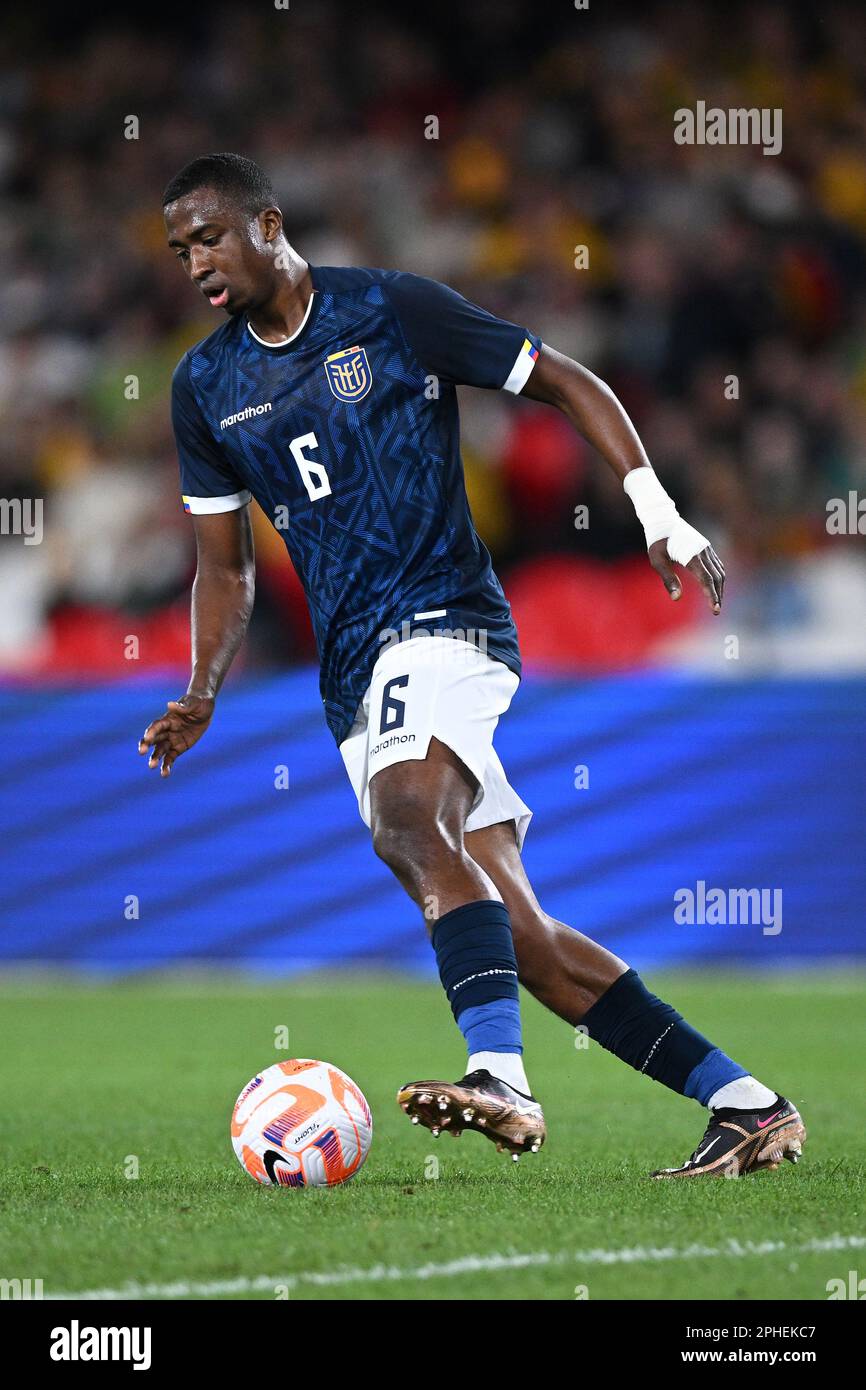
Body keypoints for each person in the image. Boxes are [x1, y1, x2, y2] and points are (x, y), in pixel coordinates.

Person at [140, 153, 805, 1177]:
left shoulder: (391, 310)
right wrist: (199, 690)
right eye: (181, 249)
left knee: (407, 821)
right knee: (522, 937)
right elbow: (222, 568)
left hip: (446, 617)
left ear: (269, 223)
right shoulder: (203, 388)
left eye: (211, 237)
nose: (196, 264)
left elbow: (564, 380)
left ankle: (500, 1077)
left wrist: (657, 513)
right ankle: (744, 1101)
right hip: (350, 674)